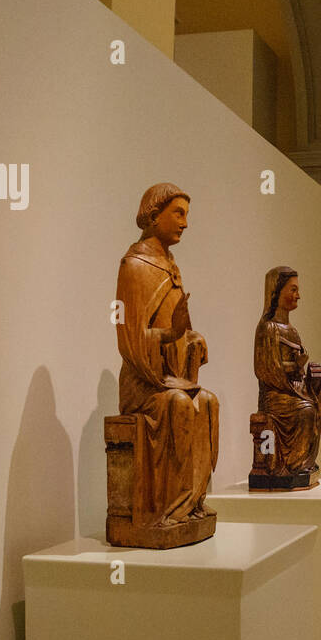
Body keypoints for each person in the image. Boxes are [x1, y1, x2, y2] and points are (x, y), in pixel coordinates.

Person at [115, 182, 218, 526]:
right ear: (153, 214)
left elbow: (178, 329)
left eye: (186, 215)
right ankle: (166, 508)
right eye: (178, 213)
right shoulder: (134, 265)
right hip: (145, 382)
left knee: (208, 402)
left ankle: (192, 500)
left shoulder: (169, 264)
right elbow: (130, 337)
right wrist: (171, 336)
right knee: (178, 405)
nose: (185, 222)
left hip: (172, 377)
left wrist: (191, 337)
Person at [251, 266, 321, 487]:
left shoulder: (291, 330)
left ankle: (304, 464)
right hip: (275, 395)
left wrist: (306, 373)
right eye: (293, 289)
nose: (298, 295)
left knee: (317, 405)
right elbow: (265, 369)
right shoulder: (267, 328)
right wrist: (294, 366)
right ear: (276, 291)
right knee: (306, 409)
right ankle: (292, 465)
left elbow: (298, 369)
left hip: (293, 389)